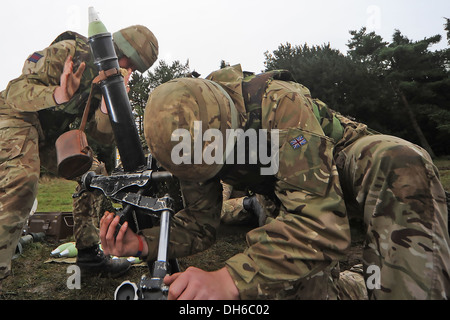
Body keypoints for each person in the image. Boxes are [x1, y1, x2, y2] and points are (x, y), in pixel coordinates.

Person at [100, 64, 450, 299]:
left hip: (340, 171)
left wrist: (229, 279)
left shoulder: (280, 105)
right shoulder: (189, 144)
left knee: (397, 160)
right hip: (288, 195)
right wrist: (142, 243)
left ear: (229, 127)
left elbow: (321, 223)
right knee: (289, 282)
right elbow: (200, 223)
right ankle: (360, 284)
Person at [0, 25, 158, 288]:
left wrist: (108, 108)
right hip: (16, 116)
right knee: (22, 180)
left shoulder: (107, 83)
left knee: (93, 174)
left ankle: (88, 255)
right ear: (114, 48)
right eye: (125, 60)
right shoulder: (71, 52)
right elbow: (16, 90)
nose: (125, 69)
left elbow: (101, 135)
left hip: (49, 136)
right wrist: (57, 94)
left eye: (132, 67)